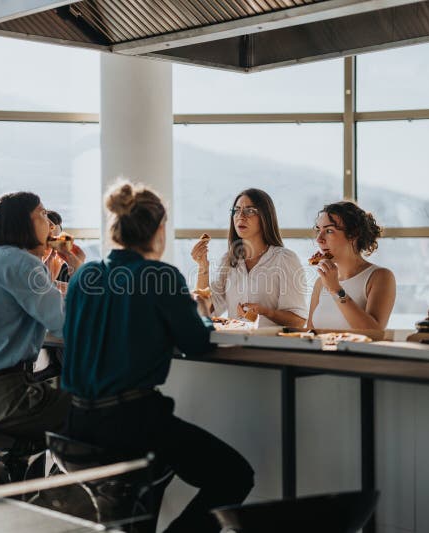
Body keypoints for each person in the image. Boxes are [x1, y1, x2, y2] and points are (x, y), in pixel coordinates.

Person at [62, 180, 254, 533]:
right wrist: (197, 311)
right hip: (131, 425)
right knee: (234, 475)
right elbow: (196, 343)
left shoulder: (84, 275)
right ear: (159, 229)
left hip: (76, 425)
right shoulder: (160, 276)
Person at [0, 191, 84, 438]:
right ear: (22, 223)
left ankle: (62, 472)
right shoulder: (24, 263)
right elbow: (66, 325)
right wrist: (79, 271)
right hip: (8, 400)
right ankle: (75, 474)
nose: (52, 225)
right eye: (43, 214)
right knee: (103, 405)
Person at [190, 188, 307, 327]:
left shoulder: (285, 259)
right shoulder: (228, 260)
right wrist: (203, 267)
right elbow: (205, 309)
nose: (241, 216)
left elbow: (299, 320)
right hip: (233, 345)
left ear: (265, 216)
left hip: (270, 346)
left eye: (250, 210)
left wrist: (266, 312)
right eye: (237, 210)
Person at [307, 201, 396, 330]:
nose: (319, 239)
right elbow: (311, 332)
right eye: (319, 230)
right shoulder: (321, 282)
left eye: (329, 230)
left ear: (353, 234)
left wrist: (336, 290)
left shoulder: (380, 277)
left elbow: (374, 333)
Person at [45, 210, 72, 283]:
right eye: (48, 240)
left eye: (56, 240)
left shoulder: (63, 269)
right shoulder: (28, 266)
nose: (54, 248)